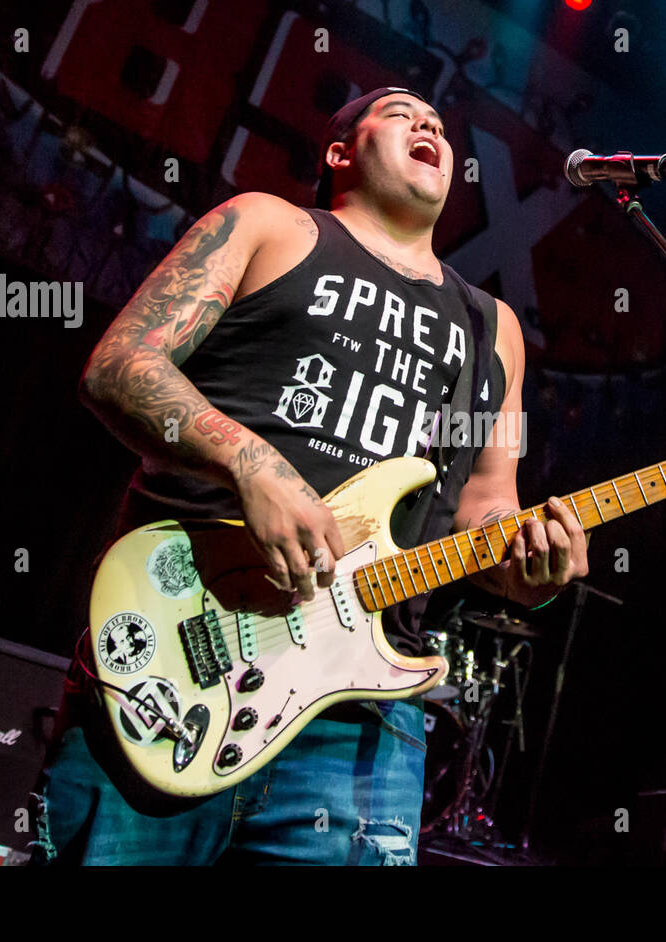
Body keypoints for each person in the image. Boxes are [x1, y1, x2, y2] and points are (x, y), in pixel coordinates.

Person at [32, 87, 589, 865]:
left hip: (361, 722)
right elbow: (119, 367)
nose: (429, 123)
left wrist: (529, 566)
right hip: (180, 660)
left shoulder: (495, 331)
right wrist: (251, 462)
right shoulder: (269, 226)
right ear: (340, 151)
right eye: (400, 113)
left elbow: (487, 505)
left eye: (438, 122)